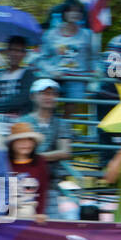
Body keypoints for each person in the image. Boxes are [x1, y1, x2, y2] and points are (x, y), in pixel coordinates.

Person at [20, 78, 75, 219]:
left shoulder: (61, 123)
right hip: (22, 184)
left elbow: (65, 152)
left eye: (52, 94)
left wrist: (36, 157)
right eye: (44, 93)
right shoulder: (23, 122)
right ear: (33, 96)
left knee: (51, 226)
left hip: (49, 185)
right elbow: (19, 153)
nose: (48, 97)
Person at [38, 0, 99, 101]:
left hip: (78, 78)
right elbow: (41, 58)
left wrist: (95, 74)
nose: (74, 14)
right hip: (55, 76)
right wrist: (51, 71)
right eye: (70, 11)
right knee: (48, 98)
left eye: (78, 11)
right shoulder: (50, 34)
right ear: (64, 13)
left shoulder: (88, 35)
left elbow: (94, 58)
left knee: (74, 103)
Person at [0, 36, 38, 127]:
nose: (14, 54)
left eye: (19, 51)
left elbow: (22, 99)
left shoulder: (27, 75)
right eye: (12, 50)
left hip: (18, 120)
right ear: (6, 52)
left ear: (24, 54)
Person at [6, 121, 49, 221]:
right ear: (12, 144)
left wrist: (40, 213)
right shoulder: (3, 161)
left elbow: (43, 191)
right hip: (5, 211)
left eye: (29, 140)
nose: (25, 144)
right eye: (19, 140)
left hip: (30, 212)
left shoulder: (40, 162)